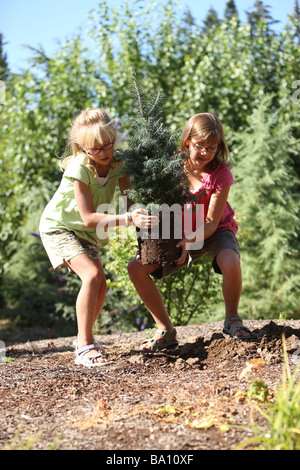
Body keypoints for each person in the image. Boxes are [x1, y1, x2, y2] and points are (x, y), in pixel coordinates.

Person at [40, 108, 157, 367]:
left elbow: (130, 201)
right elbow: (88, 218)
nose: (103, 153)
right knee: (91, 276)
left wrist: (144, 217)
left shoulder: (118, 164)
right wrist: (128, 219)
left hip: (85, 233)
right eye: (95, 149)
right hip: (60, 227)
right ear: (83, 148)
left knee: (101, 284)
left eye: (108, 145)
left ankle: (83, 337)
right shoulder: (79, 167)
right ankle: (84, 346)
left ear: (114, 139)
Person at [128, 112, 251, 351]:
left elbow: (212, 222)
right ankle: (165, 330)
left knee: (230, 261)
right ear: (187, 142)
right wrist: (149, 241)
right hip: (178, 230)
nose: (205, 152)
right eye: (199, 146)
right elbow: (157, 206)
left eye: (212, 147)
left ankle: (232, 320)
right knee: (135, 268)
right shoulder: (172, 167)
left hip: (214, 230)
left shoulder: (220, 174)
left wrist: (190, 241)